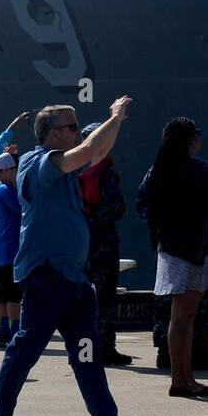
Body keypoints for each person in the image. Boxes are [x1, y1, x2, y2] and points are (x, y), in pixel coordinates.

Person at [0, 99, 132, 416]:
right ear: (52, 134)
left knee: (86, 353)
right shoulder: (36, 164)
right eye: (73, 127)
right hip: (47, 277)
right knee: (24, 352)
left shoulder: (64, 167)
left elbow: (97, 151)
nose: (79, 133)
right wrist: (113, 117)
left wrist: (116, 125)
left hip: (75, 281)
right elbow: (89, 148)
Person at [138, 117, 208, 397]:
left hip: (172, 249)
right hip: (196, 251)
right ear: (189, 139)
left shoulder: (158, 170)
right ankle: (180, 379)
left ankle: (184, 378)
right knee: (184, 317)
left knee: (182, 316)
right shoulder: (198, 168)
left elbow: (145, 205)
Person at [78, 122, 132, 366]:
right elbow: (113, 207)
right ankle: (106, 349)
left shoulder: (74, 171)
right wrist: (97, 224)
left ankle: (82, 350)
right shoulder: (107, 173)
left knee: (82, 299)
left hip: (80, 243)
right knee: (105, 298)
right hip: (104, 243)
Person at [0, 152, 23, 347]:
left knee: (2, 295)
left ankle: (3, 331)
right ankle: (13, 331)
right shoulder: (7, 192)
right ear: (9, 170)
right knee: (13, 296)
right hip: (14, 248)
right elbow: (23, 208)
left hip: (4, 248)